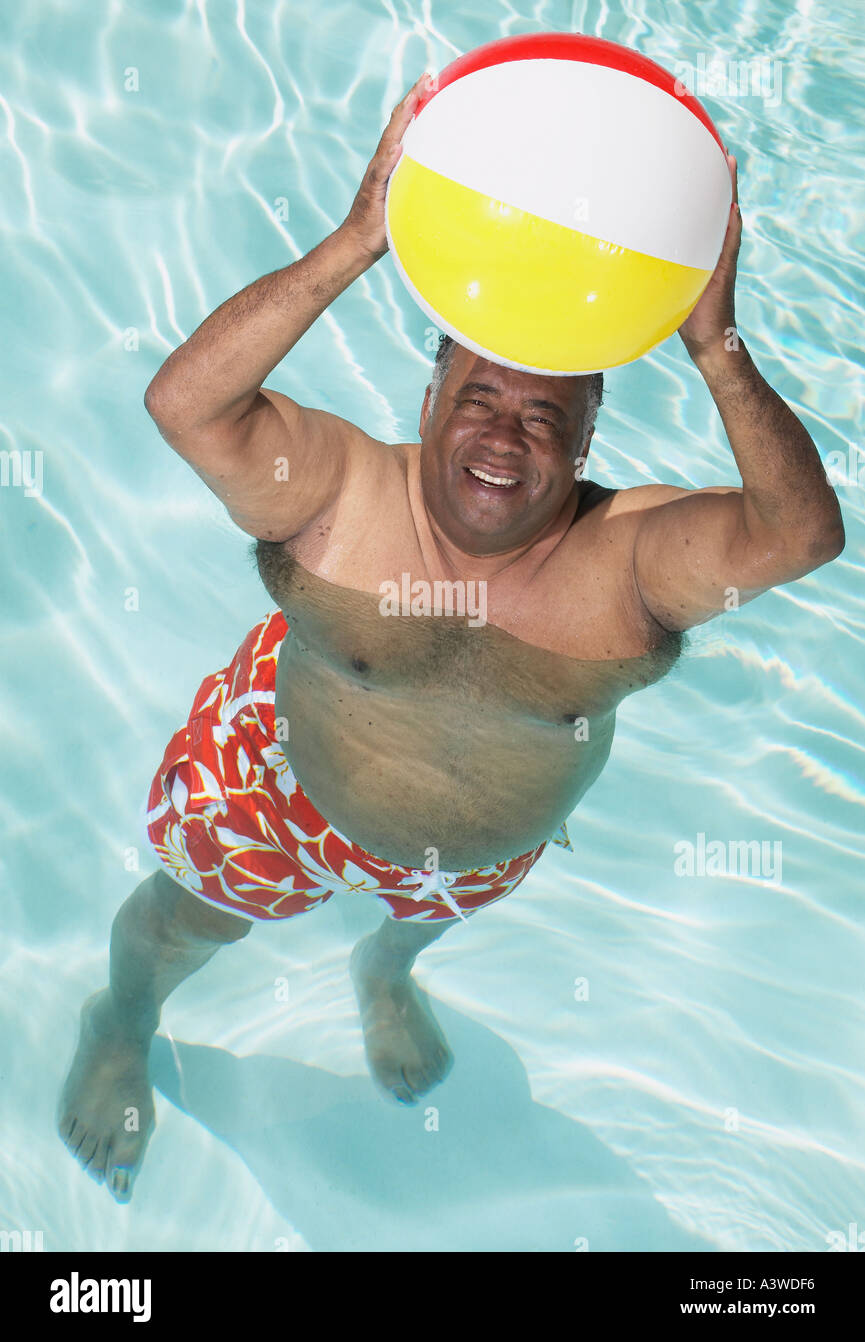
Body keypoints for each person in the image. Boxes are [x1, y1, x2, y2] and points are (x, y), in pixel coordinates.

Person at [58, 73, 844, 1203]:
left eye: (543, 416)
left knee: (418, 918)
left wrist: (716, 350)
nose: (503, 436)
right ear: (429, 398)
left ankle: (383, 969)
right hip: (281, 785)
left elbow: (800, 536)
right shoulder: (341, 498)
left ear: (585, 440)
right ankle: (123, 1024)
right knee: (184, 922)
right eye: (479, 397)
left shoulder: (626, 557)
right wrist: (358, 239)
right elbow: (184, 404)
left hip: (478, 852)